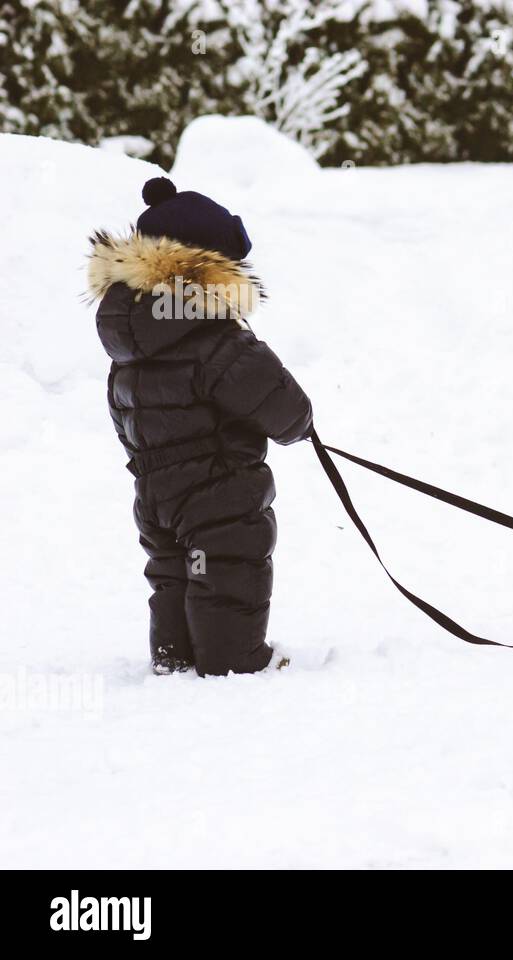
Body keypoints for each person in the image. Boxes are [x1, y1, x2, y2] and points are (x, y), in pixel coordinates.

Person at [87, 177, 313, 676]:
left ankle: (173, 659)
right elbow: (287, 410)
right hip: (219, 492)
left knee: (178, 573)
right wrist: (303, 427)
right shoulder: (217, 341)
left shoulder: (128, 345)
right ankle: (233, 663)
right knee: (223, 570)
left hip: (154, 493)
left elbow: (123, 419)